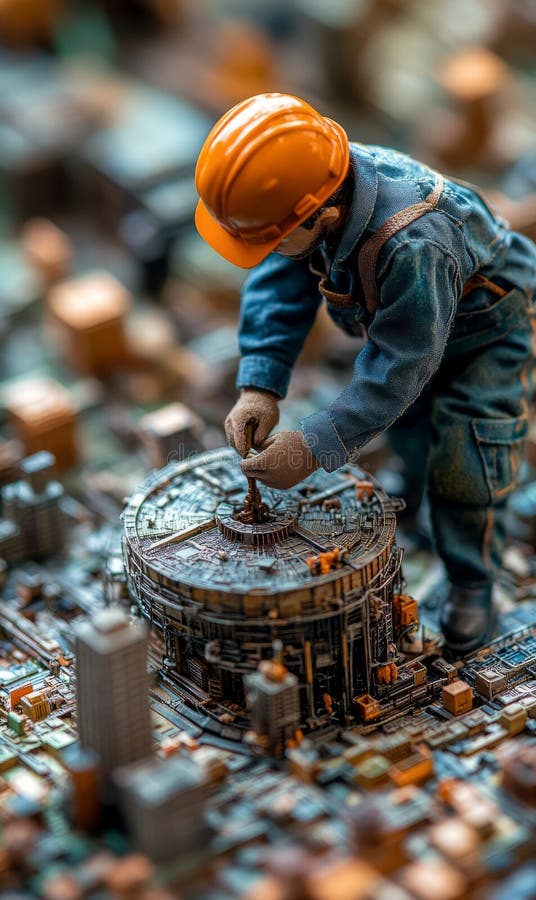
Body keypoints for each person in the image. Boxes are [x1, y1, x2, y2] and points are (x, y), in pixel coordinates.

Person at [194, 92, 536, 652]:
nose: (273, 251)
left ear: (320, 215)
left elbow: (399, 368)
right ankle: (422, 494)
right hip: (410, 326)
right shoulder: (323, 193)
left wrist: (312, 447)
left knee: (467, 454)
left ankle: (472, 584)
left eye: (275, 239)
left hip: (485, 335)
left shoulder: (413, 241)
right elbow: (281, 278)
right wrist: (260, 382)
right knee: (406, 428)